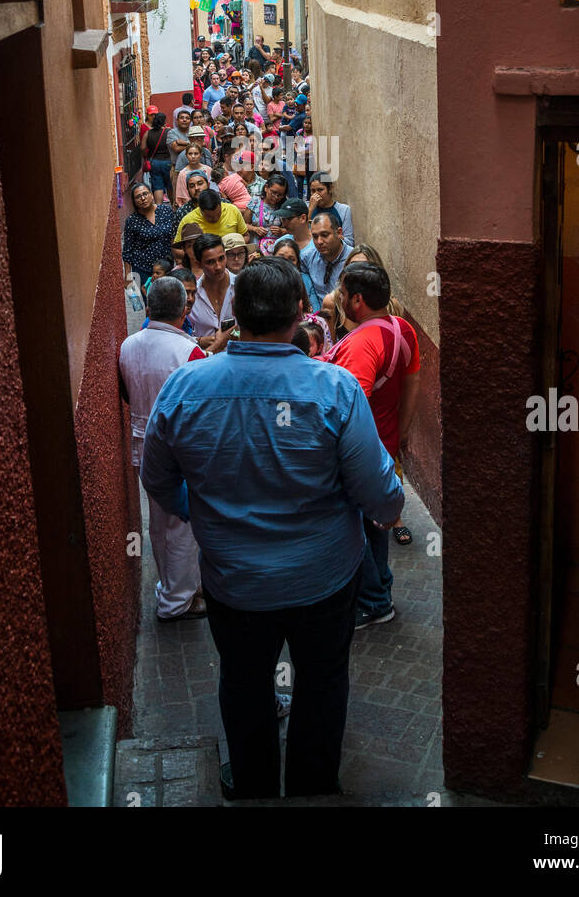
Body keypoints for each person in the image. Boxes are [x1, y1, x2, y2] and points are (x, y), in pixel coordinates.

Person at [141, 258, 404, 799]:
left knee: (243, 683)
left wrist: (203, 510)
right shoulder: (334, 390)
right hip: (324, 581)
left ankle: (255, 783)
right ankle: (311, 784)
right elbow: (380, 495)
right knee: (323, 682)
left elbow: (158, 479)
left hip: (234, 582)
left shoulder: (186, 387)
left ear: (234, 314)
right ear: (298, 315)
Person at [327, 264, 421, 628]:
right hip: (383, 444)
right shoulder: (403, 329)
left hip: (359, 454)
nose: (337, 297)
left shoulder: (364, 342)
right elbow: (413, 385)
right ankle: (379, 593)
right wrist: (400, 436)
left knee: (356, 527)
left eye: (341, 291)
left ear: (357, 300)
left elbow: (350, 408)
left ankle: (372, 601)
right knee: (375, 524)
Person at [120, 277, 208, 621]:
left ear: (149, 306)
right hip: (180, 452)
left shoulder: (128, 345)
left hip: (143, 446)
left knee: (159, 523)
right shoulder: (187, 352)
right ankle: (177, 600)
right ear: (182, 309)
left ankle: (175, 589)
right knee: (182, 525)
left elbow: (128, 394)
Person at [122, 182, 176, 286]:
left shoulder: (166, 211)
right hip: (144, 270)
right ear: (134, 201)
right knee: (150, 300)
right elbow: (127, 252)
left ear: (151, 195)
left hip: (166, 267)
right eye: (138, 197)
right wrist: (128, 277)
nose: (143, 198)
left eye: (145, 194)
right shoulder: (132, 221)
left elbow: (174, 237)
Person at [190, 234, 237, 349]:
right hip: (204, 361)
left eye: (221, 258)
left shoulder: (241, 286)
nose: (218, 267)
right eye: (210, 262)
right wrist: (198, 341)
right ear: (198, 264)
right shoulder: (192, 294)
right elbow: (178, 335)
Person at [303, 210, 353, 299]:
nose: (319, 242)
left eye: (325, 235)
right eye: (315, 237)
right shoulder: (308, 258)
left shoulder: (353, 259)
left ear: (339, 233)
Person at [175, 188, 248, 244]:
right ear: (200, 210)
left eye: (218, 214)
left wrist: (235, 245)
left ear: (221, 205)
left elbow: (246, 236)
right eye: (209, 217)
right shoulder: (188, 220)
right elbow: (177, 249)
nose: (215, 219)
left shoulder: (232, 210)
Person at [272, 235, 322, 312]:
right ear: (273, 258)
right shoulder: (267, 280)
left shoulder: (305, 280)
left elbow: (316, 311)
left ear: (298, 263)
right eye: (281, 257)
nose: (286, 262)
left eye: (291, 259)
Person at [309, 173, 354, 247]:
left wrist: (334, 236)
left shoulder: (343, 210)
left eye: (320, 190)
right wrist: (310, 210)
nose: (316, 195)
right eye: (313, 191)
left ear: (329, 189)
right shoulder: (308, 208)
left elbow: (350, 243)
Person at [246, 173, 288, 245]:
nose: (276, 197)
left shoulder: (284, 206)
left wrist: (282, 231)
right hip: (256, 247)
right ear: (266, 187)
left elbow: (291, 230)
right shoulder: (255, 202)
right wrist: (255, 229)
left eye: (280, 195)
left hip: (276, 248)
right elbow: (244, 225)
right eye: (273, 192)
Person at [142, 113, 174, 202]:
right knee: (169, 185)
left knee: (157, 186)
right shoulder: (168, 132)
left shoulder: (148, 133)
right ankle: (173, 207)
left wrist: (146, 155)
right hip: (167, 161)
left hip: (154, 162)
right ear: (164, 121)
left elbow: (143, 148)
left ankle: (158, 208)